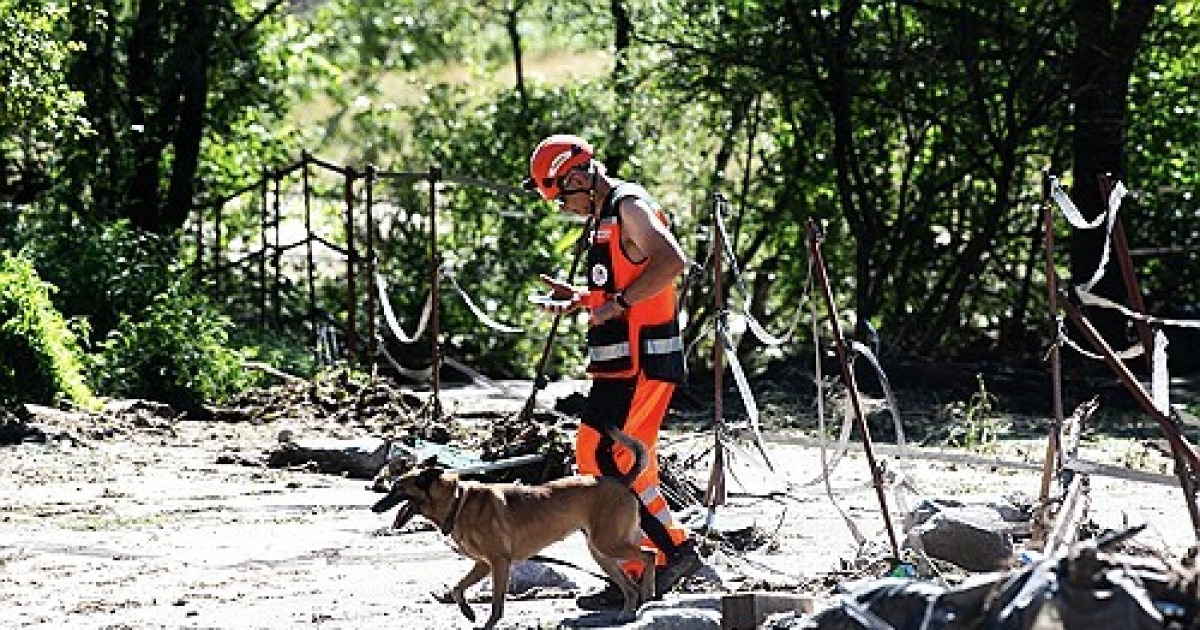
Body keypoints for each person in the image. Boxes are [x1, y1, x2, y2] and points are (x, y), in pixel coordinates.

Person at [526, 134, 702, 608]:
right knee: (616, 461)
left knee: (605, 460)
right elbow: (627, 285)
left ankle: (668, 557)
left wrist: (619, 302)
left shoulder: (629, 206)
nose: (565, 207)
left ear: (580, 177)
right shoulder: (606, 215)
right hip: (620, 365)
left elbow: (671, 262)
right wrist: (584, 299)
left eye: (564, 197)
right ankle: (648, 563)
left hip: (642, 363)